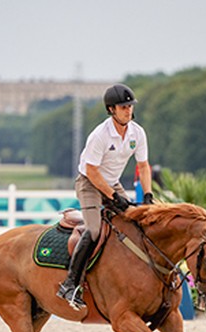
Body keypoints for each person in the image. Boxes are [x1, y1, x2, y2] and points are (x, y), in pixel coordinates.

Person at [56, 83, 154, 310]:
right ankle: (70, 284)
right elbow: (91, 171)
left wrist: (148, 195)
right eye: (123, 107)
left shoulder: (137, 133)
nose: (128, 110)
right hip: (89, 184)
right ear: (111, 109)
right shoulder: (100, 135)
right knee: (94, 230)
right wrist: (112, 196)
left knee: (139, 221)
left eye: (130, 106)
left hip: (112, 183)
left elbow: (144, 166)